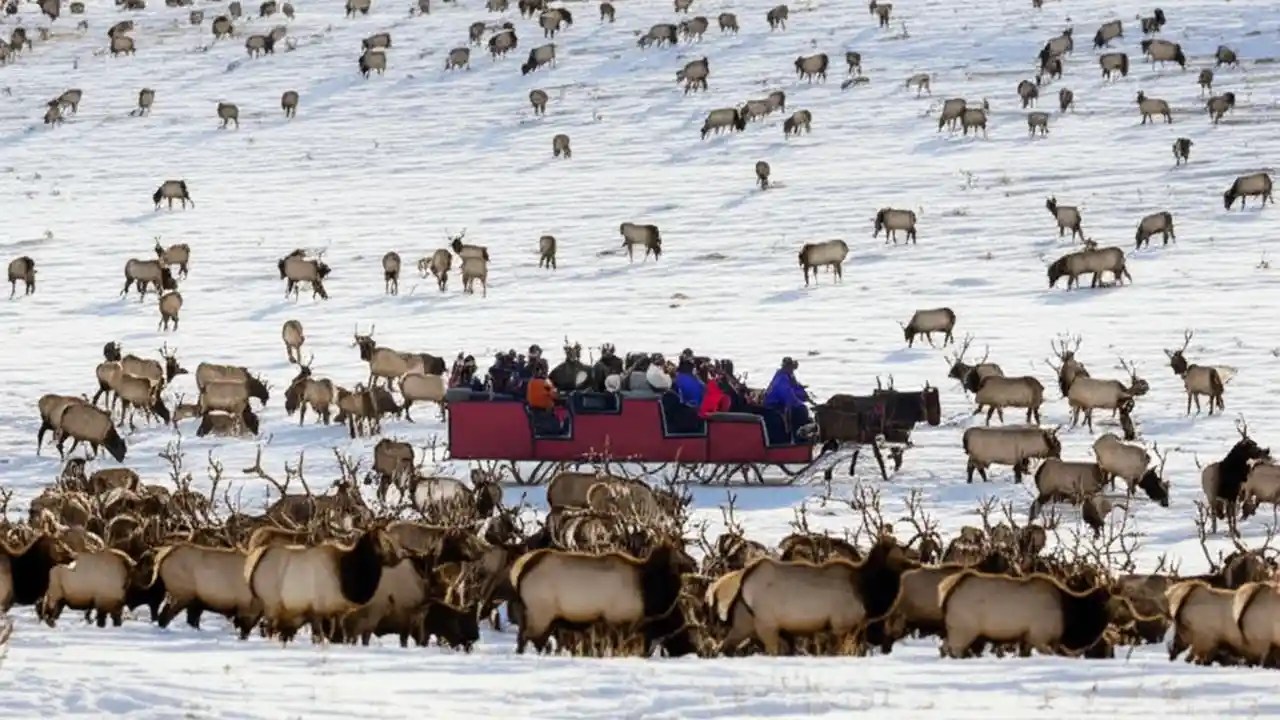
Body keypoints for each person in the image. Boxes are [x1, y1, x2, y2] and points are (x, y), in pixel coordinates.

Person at [764, 356, 811, 434]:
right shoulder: (781, 378)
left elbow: (795, 388)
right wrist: (799, 401)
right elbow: (788, 396)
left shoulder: (789, 376)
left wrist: (804, 395)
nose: (792, 369)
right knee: (801, 410)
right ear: (786, 367)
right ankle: (795, 436)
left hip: (782, 402)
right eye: (790, 367)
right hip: (774, 406)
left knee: (802, 409)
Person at [526, 369, 563, 435]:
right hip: (544, 413)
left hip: (533, 413)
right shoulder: (546, 382)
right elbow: (555, 396)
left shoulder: (531, 382)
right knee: (557, 428)